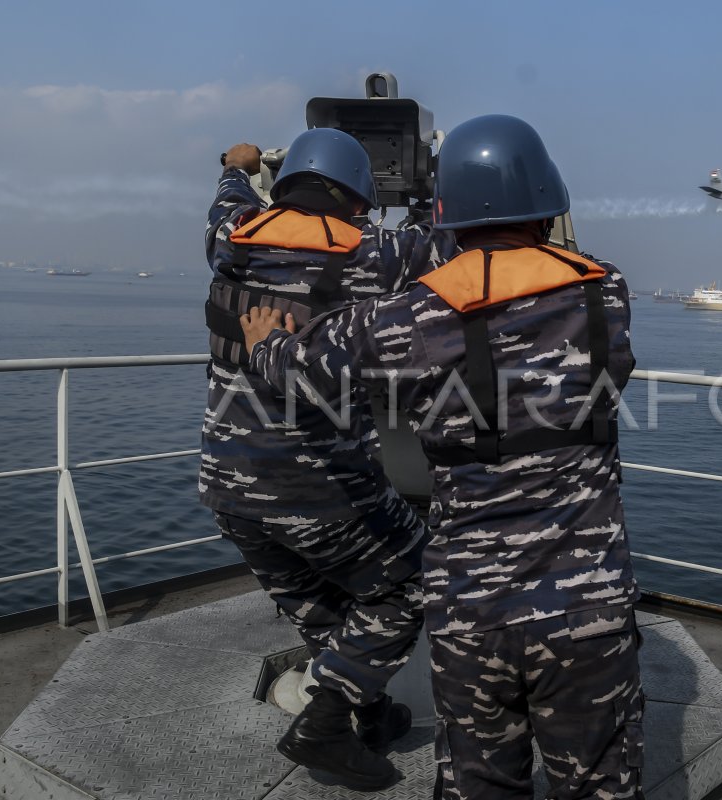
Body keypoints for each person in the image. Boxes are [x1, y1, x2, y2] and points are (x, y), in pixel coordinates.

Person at [240, 114, 643, 800]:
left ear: (448, 213)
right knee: (603, 783)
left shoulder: (412, 319)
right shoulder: (606, 294)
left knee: (481, 780)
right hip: (590, 603)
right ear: (547, 202)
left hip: (470, 607)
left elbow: (312, 365)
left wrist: (263, 345)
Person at [202, 128, 451, 790]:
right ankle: (325, 726)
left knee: (323, 610)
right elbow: (452, 242)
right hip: (317, 485)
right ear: (358, 199)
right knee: (416, 581)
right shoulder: (379, 252)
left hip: (226, 485)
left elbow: (227, 194)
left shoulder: (235, 234)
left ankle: (370, 719)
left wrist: (238, 165)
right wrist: (432, 180)